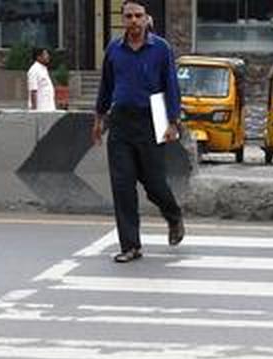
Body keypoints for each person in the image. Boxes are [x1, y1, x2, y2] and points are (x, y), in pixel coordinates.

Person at [92, 0, 185, 264]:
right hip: (120, 122)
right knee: (122, 187)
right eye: (129, 16)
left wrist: (173, 121)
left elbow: (171, 86)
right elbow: (106, 87)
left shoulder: (161, 49)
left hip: (150, 120)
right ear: (123, 19)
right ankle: (131, 246)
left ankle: (173, 214)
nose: (133, 21)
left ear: (146, 19)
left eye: (138, 16)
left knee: (154, 184)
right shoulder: (113, 50)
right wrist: (99, 119)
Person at [28, 47, 57, 112]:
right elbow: (33, 91)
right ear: (38, 57)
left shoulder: (43, 69)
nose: (48, 57)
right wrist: (34, 111)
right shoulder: (34, 70)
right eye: (45, 55)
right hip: (41, 109)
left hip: (49, 108)